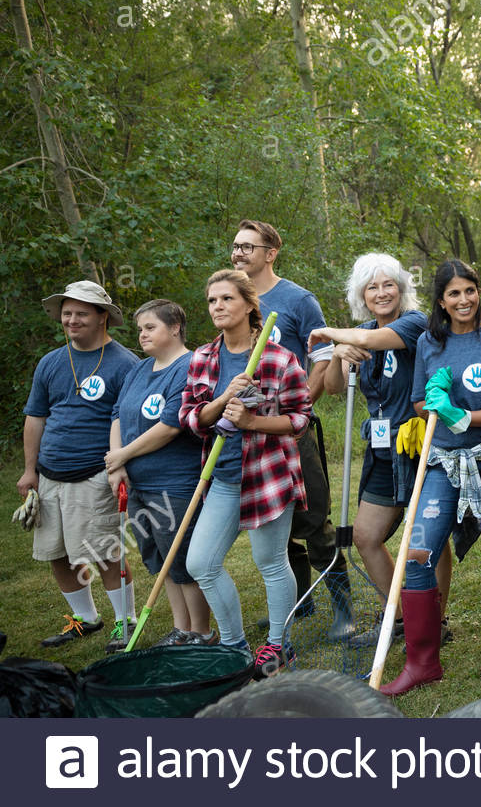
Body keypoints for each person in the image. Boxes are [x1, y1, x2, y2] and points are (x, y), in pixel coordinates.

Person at [379, 259, 481, 696]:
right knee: (417, 553)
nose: (464, 300)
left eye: (470, 291)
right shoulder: (429, 341)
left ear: (478, 293)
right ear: (441, 301)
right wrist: (433, 399)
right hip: (443, 461)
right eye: (454, 294)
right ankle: (422, 662)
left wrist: (459, 415)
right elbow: (418, 403)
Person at [309, 254, 454, 647]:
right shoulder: (360, 332)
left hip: (421, 443)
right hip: (382, 448)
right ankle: (402, 617)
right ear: (362, 296)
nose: (381, 293)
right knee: (365, 535)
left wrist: (331, 335)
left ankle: (435, 619)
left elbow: (372, 342)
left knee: (428, 536)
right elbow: (334, 387)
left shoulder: (415, 323)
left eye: (388, 284)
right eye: (372, 287)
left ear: (401, 288)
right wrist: (337, 354)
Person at [181, 269, 311, 678]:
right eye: (212, 300)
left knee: (270, 561)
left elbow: (301, 418)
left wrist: (253, 422)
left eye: (227, 299)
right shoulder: (203, 358)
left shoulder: (278, 358)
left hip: (268, 475)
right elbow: (190, 417)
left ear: (249, 305)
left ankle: (278, 644)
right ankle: (234, 646)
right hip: (222, 476)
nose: (218, 306)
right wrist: (223, 400)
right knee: (201, 563)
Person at [230, 220, 349, 638]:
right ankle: (299, 600)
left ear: (271, 253)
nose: (239, 252)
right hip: (252, 432)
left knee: (313, 519)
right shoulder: (235, 299)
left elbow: (323, 360)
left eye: (248, 246)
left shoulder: (298, 300)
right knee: (274, 521)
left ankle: (344, 609)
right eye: (236, 246)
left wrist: (298, 411)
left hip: (293, 431)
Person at [19, 280, 139, 651]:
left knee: (106, 553)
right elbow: (36, 417)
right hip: (50, 475)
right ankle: (85, 619)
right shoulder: (50, 362)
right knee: (56, 554)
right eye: (67, 313)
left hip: (96, 474)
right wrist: (29, 470)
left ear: (103, 317)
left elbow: (132, 422)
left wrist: (119, 465)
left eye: (81, 313)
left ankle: (125, 624)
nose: (71, 320)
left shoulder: (126, 364)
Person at [105, 300, 214, 647]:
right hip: (138, 484)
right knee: (159, 559)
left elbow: (171, 425)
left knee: (180, 559)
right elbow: (117, 414)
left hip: (174, 485)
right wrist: (117, 464)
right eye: (140, 329)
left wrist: (122, 454)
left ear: (175, 328)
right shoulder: (139, 369)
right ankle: (181, 629)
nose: (142, 335)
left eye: (150, 327)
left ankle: (202, 632)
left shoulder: (189, 367)